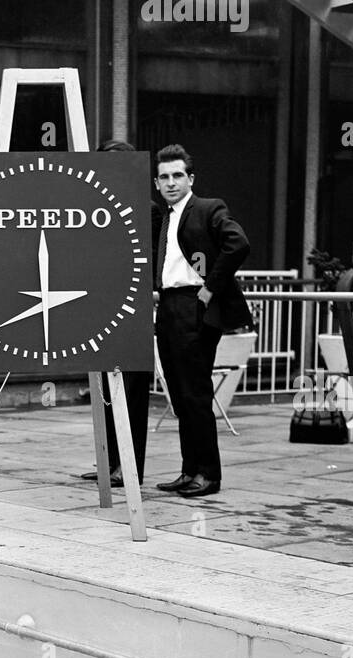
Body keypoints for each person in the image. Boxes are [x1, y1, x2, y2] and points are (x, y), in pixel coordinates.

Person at [151, 144, 252, 498]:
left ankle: (209, 474)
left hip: (195, 305)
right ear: (157, 182)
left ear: (190, 178)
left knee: (195, 393)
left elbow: (237, 244)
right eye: (164, 177)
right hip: (169, 307)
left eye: (178, 175)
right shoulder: (166, 216)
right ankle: (189, 469)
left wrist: (211, 287)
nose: (171, 182)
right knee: (179, 395)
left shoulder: (207, 208)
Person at [81, 139, 154, 487]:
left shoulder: (147, 209)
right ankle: (109, 462)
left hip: (133, 313)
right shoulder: (95, 209)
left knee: (133, 394)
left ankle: (130, 466)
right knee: (105, 393)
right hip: (101, 310)